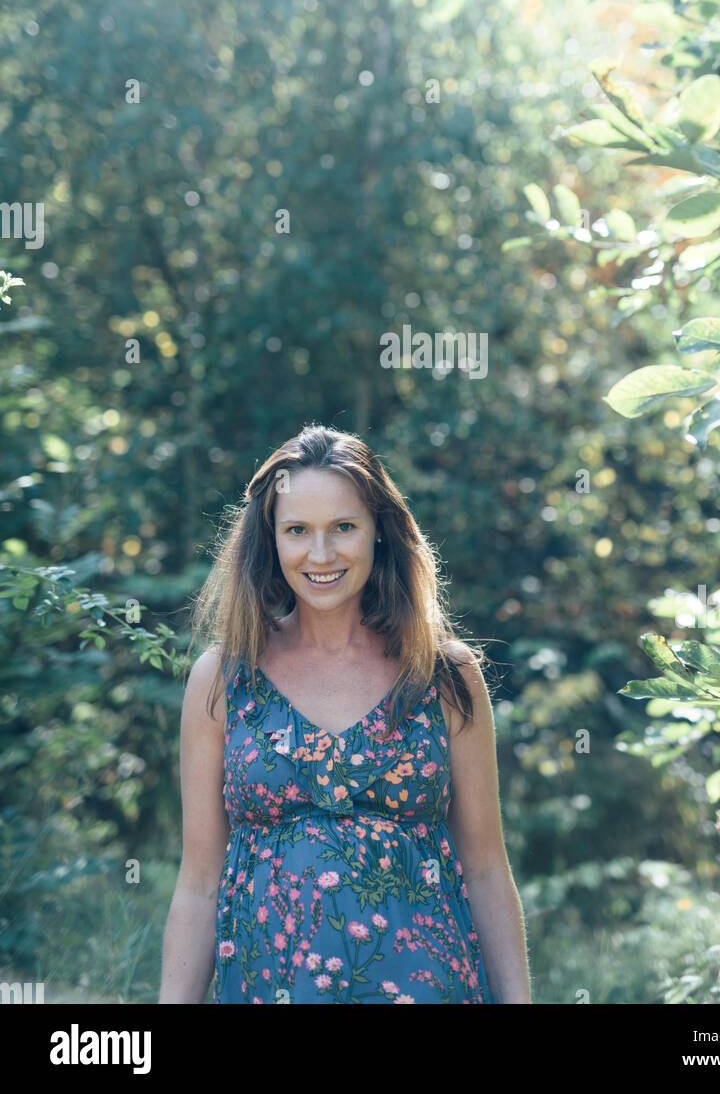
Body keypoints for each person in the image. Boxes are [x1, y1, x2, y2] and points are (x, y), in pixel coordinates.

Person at [158, 424, 532, 1004]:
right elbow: (201, 881)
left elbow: (485, 868)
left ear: (379, 532)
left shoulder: (444, 674)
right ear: (271, 540)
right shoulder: (224, 679)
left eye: (344, 528)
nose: (322, 553)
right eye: (298, 531)